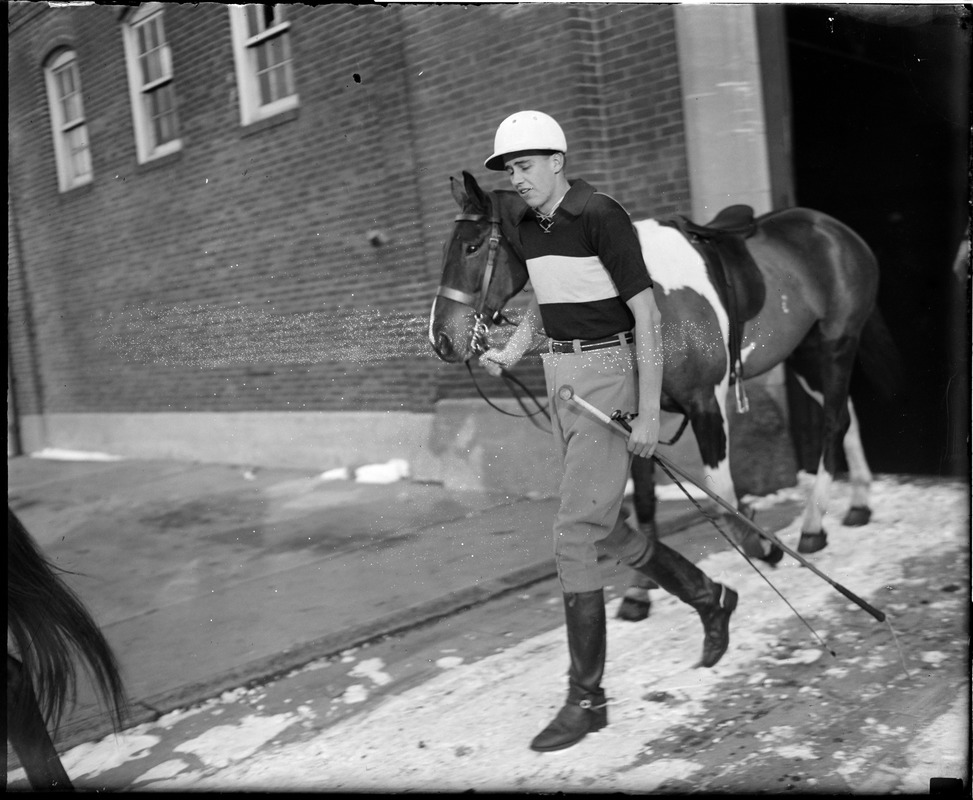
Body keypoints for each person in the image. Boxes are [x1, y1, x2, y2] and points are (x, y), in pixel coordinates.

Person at [478, 110, 739, 752]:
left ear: (558, 161)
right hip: (559, 376)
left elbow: (645, 315)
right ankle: (709, 597)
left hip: (607, 372)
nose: (518, 177)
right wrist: (512, 351)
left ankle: (587, 700)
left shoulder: (601, 214)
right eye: (510, 169)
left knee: (573, 535)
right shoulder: (527, 225)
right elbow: (549, 302)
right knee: (600, 524)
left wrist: (649, 411)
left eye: (527, 164)